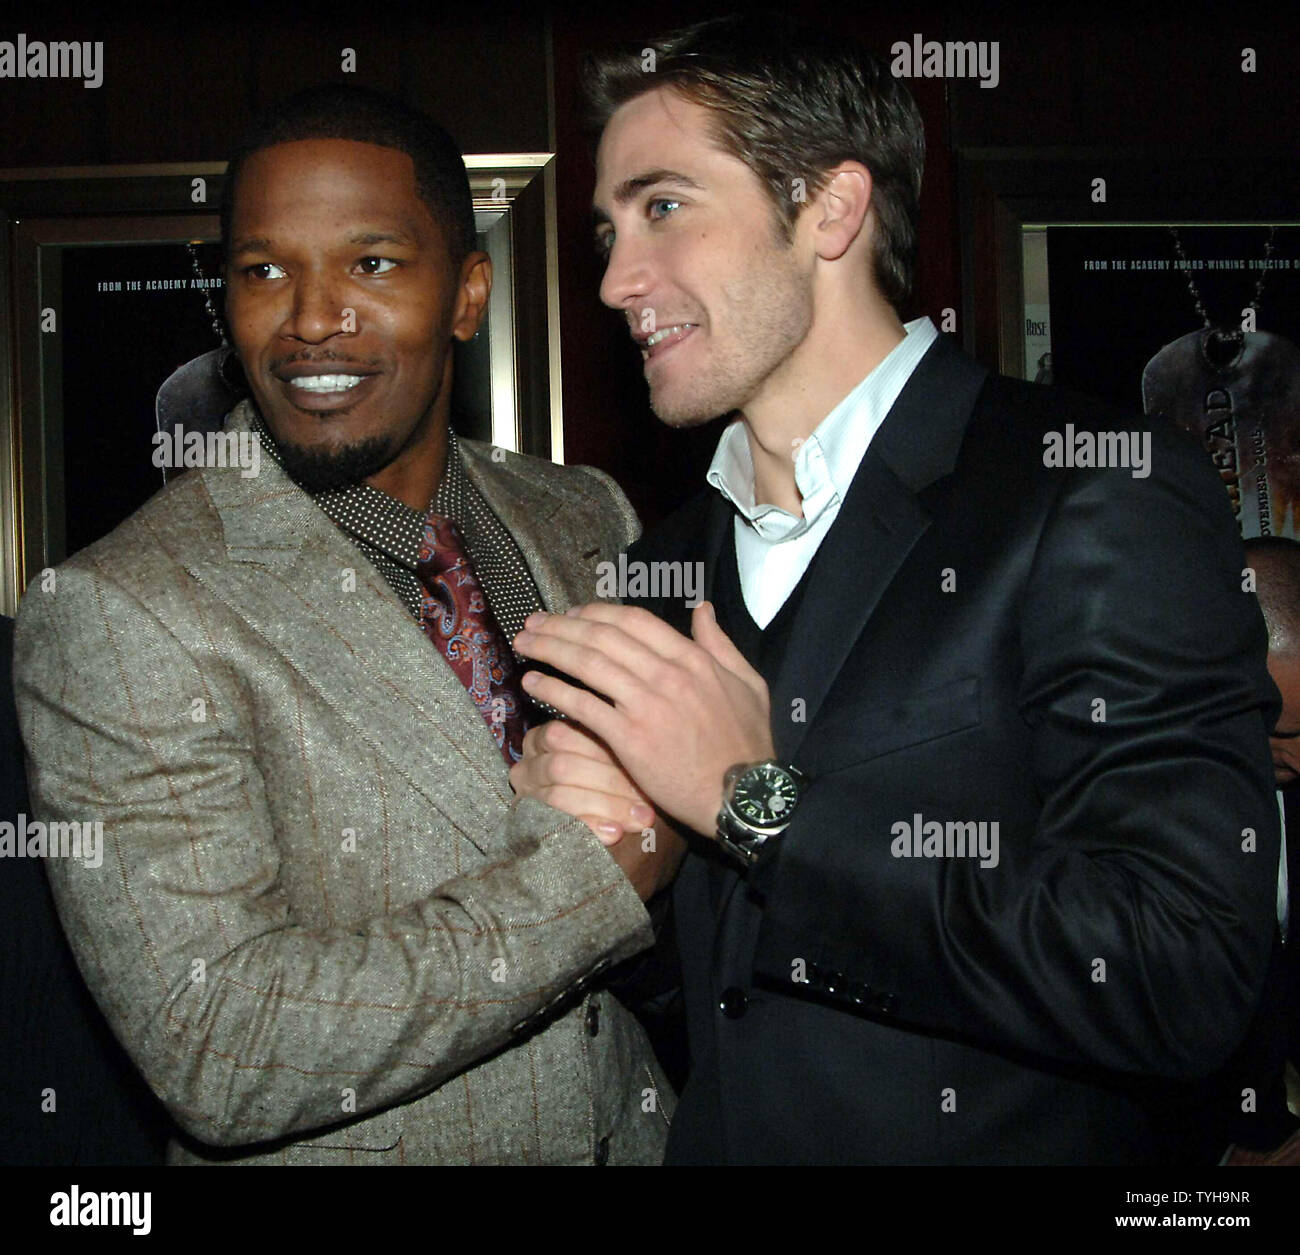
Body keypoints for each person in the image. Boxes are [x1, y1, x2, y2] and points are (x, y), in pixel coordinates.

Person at [509, 15, 1281, 1164]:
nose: (620, 278)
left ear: (830, 206)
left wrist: (749, 799)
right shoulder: (661, 569)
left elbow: (1182, 972)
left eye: (664, 206)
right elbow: (719, 1007)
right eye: (608, 228)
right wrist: (619, 864)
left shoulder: (1086, 489)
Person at [13, 84, 677, 1166]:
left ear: (467, 294)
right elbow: (217, 1045)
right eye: (263, 269)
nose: (312, 317)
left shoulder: (583, 513)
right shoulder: (118, 611)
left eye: (371, 262)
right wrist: (589, 880)